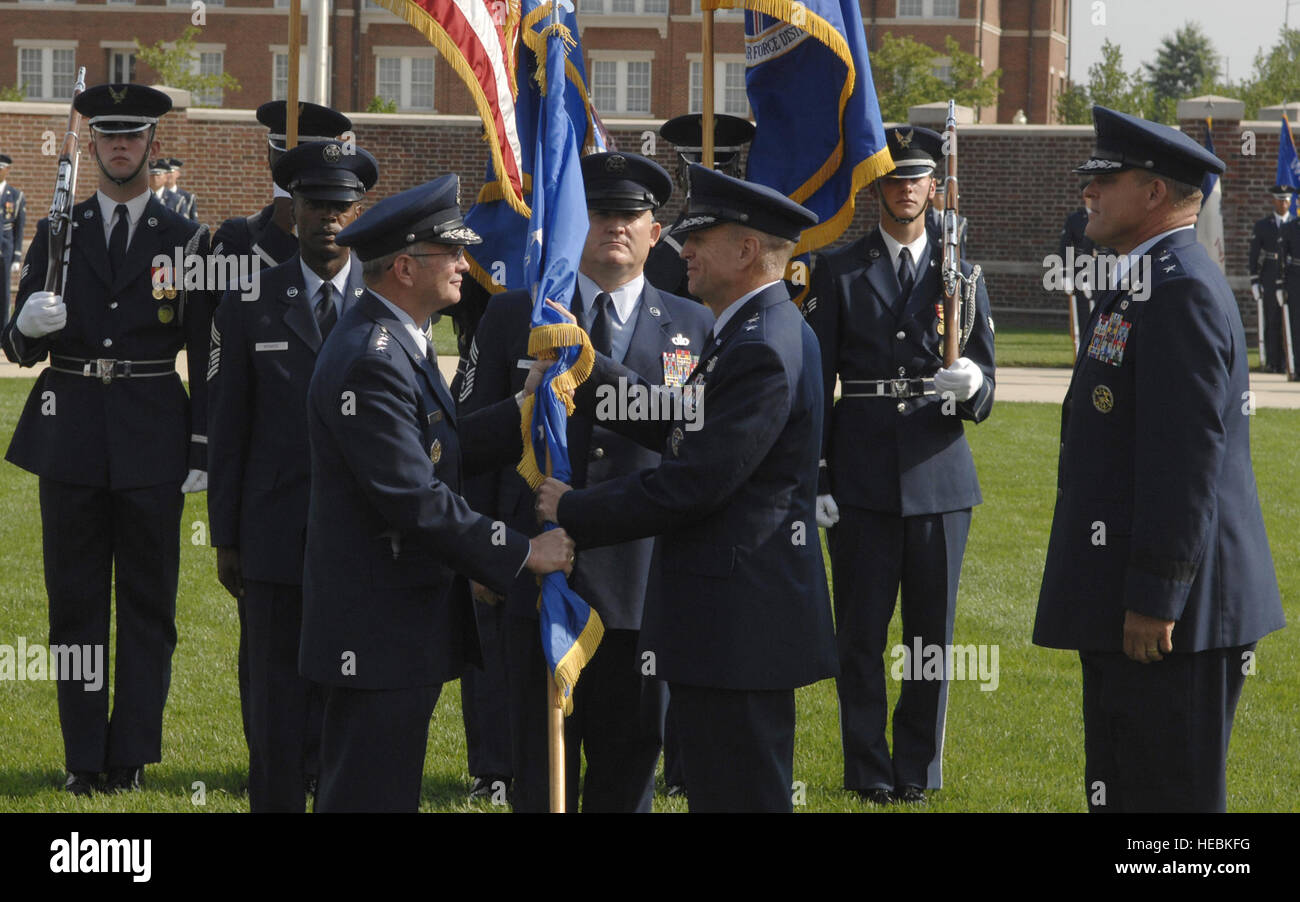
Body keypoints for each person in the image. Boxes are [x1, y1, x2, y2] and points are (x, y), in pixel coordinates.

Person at [537, 164, 839, 813]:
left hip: (740, 627)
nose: (685, 251)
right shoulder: (751, 331)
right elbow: (680, 420)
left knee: (740, 794)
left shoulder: (761, 346)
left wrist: (574, 510)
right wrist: (587, 369)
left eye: (699, 237)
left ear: (747, 250)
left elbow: (694, 483)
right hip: (727, 622)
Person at [1034, 106, 1286, 813]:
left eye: (1104, 178)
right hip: (1139, 601)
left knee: (1169, 806)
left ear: (1153, 194)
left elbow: (1186, 459)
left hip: (1174, 614)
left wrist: (1154, 595)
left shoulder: (1177, 290)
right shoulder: (1146, 276)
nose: (1089, 191)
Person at [300, 175, 576, 812]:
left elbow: (436, 446)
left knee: (383, 785)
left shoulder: (397, 337)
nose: (464, 263)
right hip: (377, 623)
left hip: (395, 619)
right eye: (451, 253)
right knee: (369, 791)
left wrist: (523, 411)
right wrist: (521, 552)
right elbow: (413, 496)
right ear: (403, 267)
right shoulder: (373, 356)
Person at [461, 152, 713, 812]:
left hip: (642, 586)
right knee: (540, 775)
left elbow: (696, 448)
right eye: (600, 213)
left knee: (628, 770)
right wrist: (482, 552)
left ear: (657, 233)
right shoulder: (516, 315)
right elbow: (471, 445)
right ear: (576, 225)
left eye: (632, 216)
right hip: (537, 575)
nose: (616, 227)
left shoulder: (694, 325)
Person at [0, 83, 214, 795]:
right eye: (108, 136)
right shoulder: (61, 229)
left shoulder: (183, 239)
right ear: (91, 145)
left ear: (153, 145)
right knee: (74, 607)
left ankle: (130, 756)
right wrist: (25, 326)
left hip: (153, 433)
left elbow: (206, 351)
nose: (121, 147)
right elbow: (22, 347)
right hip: (73, 434)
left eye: (134, 136)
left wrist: (202, 449)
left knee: (150, 607)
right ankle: (82, 756)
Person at [805, 126, 995, 807]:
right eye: (894, 179)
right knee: (859, 632)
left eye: (917, 179)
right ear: (876, 189)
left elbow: (990, 379)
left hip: (939, 472)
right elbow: (816, 385)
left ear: (934, 189)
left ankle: (917, 765)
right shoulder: (839, 270)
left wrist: (972, 384)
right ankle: (867, 767)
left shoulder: (961, 272)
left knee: (930, 639)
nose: (906, 190)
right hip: (860, 474)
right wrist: (819, 478)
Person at [207, 140, 378, 812]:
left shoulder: (387, 297)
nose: (327, 219)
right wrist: (227, 536)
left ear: (358, 210)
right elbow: (229, 429)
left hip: (364, 541)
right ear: (293, 210)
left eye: (340, 206)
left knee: (352, 703)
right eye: (314, 205)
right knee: (274, 707)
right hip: (276, 538)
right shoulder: (252, 302)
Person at [212, 102, 351, 270]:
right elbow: (232, 293)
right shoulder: (236, 236)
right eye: (284, 154)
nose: (292, 165)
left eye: (305, 156)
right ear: (268, 153)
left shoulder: (354, 238)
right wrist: (279, 229)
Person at [643, 113, 754, 303]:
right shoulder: (658, 243)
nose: (708, 183)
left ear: (737, 174)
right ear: (678, 177)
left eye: (720, 172)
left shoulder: (754, 240)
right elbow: (651, 294)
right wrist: (687, 223)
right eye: (697, 175)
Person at [1248, 186, 1291, 374]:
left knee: (1291, 320)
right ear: (1274, 201)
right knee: (1272, 319)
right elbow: (1254, 254)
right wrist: (1254, 280)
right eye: (1280, 200)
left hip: (1291, 274)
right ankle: (1273, 362)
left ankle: (1289, 360)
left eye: (1287, 200)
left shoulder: (1295, 224)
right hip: (1270, 273)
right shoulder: (1263, 225)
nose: (1284, 203)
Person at [0, 153, 26, 330]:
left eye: (1, 169)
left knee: (4, 292)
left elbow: (19, 227)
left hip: (5, 249)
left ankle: (2, 331)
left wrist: (17, 257)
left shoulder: (15, 196)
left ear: (7, 170)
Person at [1277, 192, 1300, 380]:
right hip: (1295, 279)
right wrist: (1280, 285)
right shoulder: (1290, 227)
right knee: (1296, 325)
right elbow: (1282, 259)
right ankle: (1297, 367)